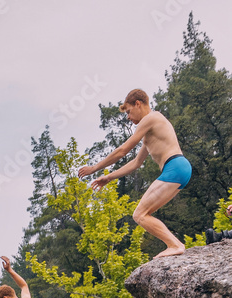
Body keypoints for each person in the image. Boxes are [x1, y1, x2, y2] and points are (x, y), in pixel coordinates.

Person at [78, 88, 191, 259]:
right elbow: (135, 163)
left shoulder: (151, 118)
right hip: (179, 169)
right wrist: (108, 177)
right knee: (145, 213)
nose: (129, 118)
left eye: (129, 112)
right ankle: (174, 244)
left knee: (139, 214)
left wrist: (95, 168)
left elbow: (123, 150)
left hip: (174, 167)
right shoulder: (150, 131)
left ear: (138, 104)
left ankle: (175, 245)